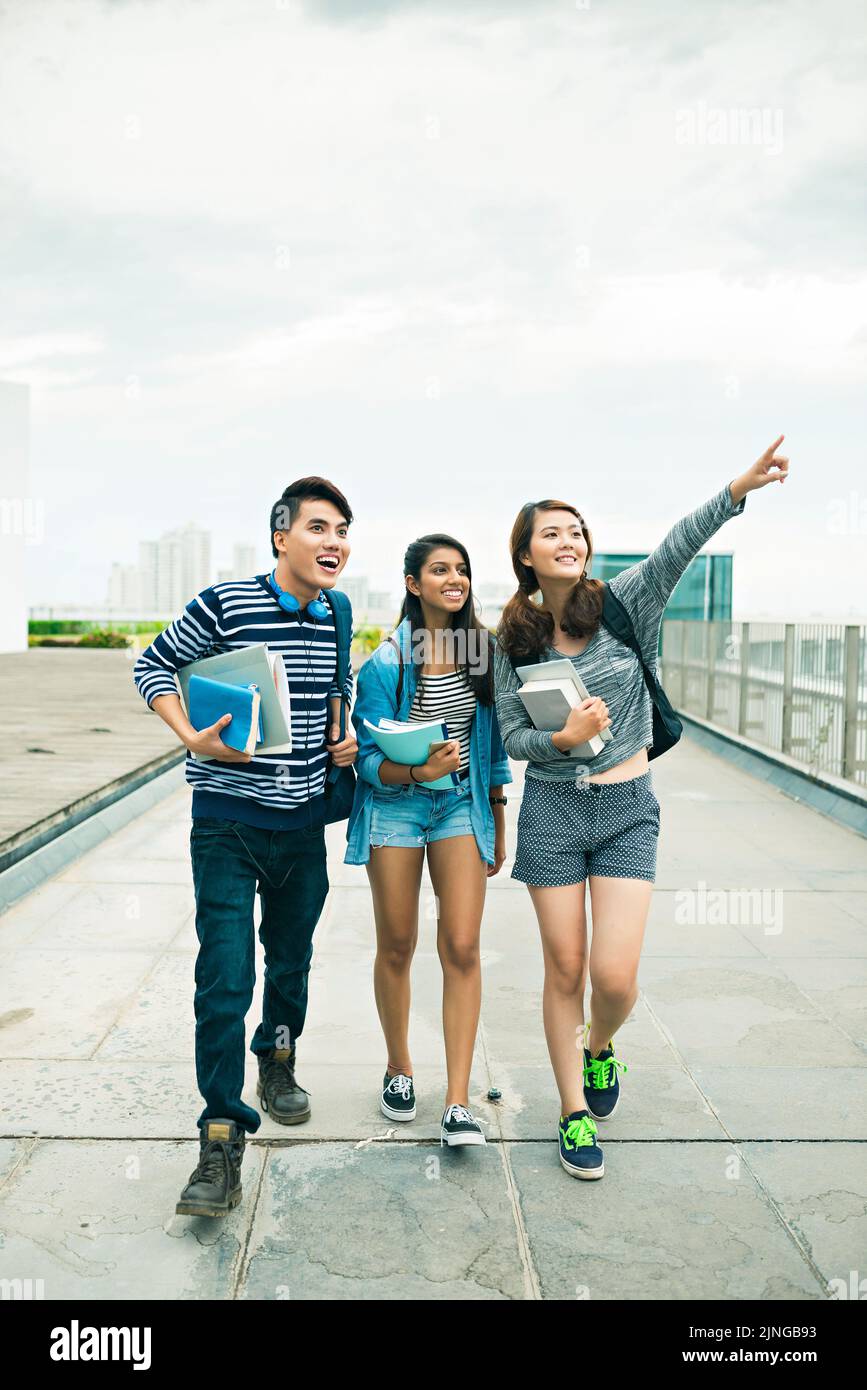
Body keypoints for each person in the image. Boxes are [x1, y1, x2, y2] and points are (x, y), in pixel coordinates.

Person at [493, 438, 790, 1180]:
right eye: (551, 532)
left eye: (577, 530)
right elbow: (511, 734)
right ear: (526, 555)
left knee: (614, 978)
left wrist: (735, 489)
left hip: (627, 807)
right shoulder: (515, 638)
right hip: (552, 813)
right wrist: (561, 737)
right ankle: (570, 1114)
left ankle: (598, 1047)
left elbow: (676, 546)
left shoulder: (625, 603)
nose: (569, 540)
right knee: (564, 967)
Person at [133, 476, 358, 1216]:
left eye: (343, 531)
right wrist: (186, 733)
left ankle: (278, 1058)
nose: (334, 543)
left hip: (302, 828)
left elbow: (337, 690)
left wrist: (344, 732)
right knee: (225, 976)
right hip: (226, 822)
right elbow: (152, 665)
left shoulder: (335, 613)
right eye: (319, 528)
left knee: (289, 962)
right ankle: (220, 1137)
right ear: (280, 536)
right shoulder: (225, 603)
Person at [345, 533, 512, 1146]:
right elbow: (365, 761)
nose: (454, 579)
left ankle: (459, 1101)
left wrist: (496, 812)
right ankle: (399, 1068)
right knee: (397, 942)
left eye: (462, 570)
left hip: (461, 808)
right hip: (395, 806)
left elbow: (492, 747)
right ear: (413, 584)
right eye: (440, 570)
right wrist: (419, 771)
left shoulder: (481, 651)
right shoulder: (388, 661)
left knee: (463, 947)